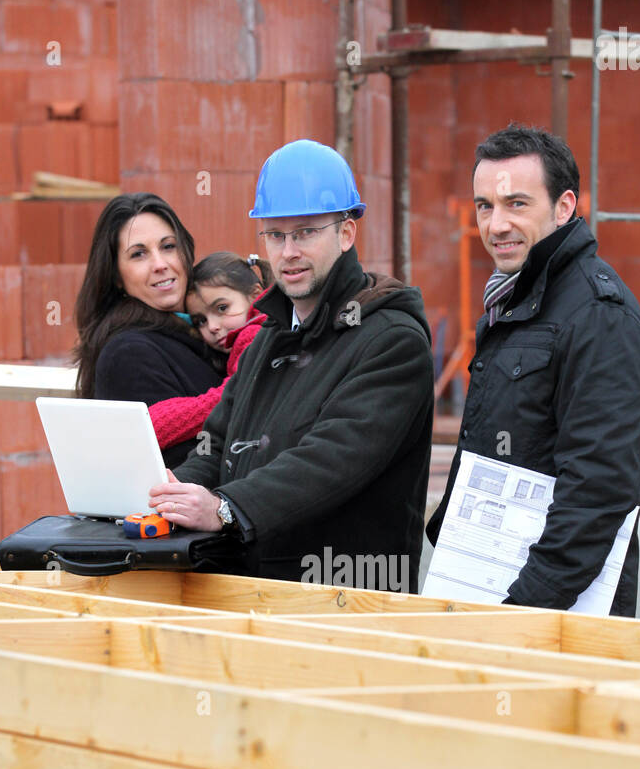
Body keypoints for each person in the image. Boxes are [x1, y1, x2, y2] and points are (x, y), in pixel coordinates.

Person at [148, 139, 435, 593]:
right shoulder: (267, 338)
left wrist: (224, 507)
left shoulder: (391, 341)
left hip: (347, 598)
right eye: (276, 235)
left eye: (304, 232)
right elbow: (217, 440)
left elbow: (330, 460)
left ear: (346, 233)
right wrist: (174, 490)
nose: (288, 252)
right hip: (258, 588)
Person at [427, 123, 640, 616]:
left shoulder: (598, 315)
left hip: (552, 613)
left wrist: (525, 606)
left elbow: (600, 489)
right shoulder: (515, 299)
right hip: (486, 586)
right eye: (485, 206)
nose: (496, 224)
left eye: (517, 204)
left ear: (565, 206)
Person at [73, 193, 226, 469]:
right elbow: (184, 467)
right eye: (139, 254)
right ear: (117, 276)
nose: (159, 264)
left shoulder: (207, 328)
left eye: (168, 246)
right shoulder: (128, 354)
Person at [148, 252, 271, 453]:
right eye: (201, 321)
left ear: (255, 295)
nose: (212, 327)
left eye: (222, 308)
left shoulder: (255, 336)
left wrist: (154, 425)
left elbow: (224, 401)